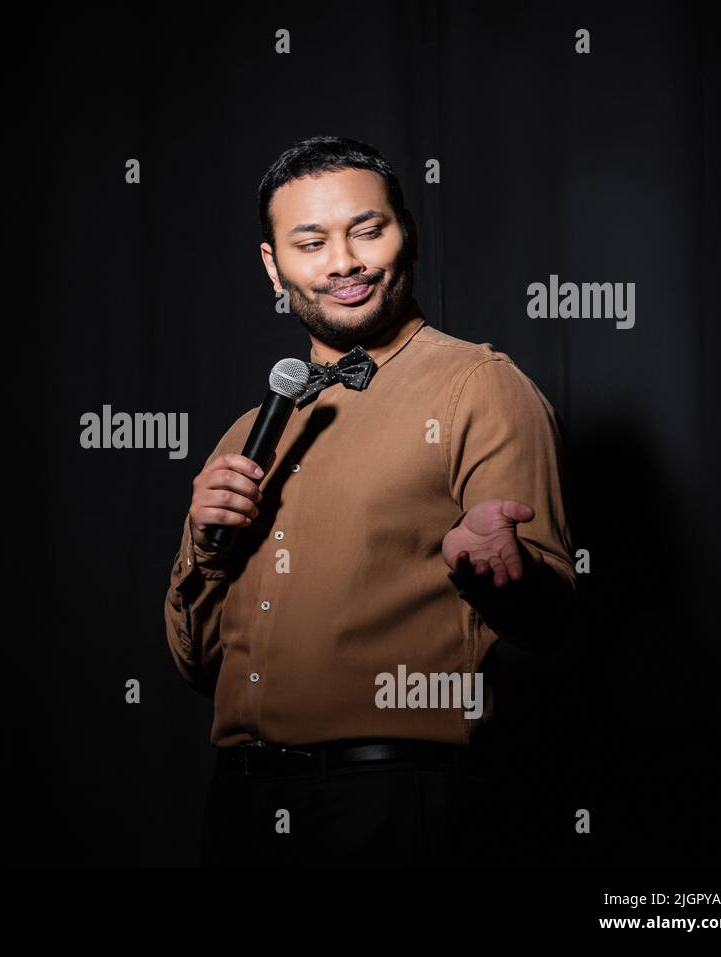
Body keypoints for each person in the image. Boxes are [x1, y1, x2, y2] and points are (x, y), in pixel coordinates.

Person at [163, 136, 578, 867]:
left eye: (367, 229)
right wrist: (203, 542)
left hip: (391, 805)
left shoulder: (479, 384)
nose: (343, 262)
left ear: (406, 233)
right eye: (311, 241)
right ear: (273, 265)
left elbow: (550, 622)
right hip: (240, 808)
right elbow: (197, 666)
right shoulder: (243, 433)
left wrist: (496, 571)